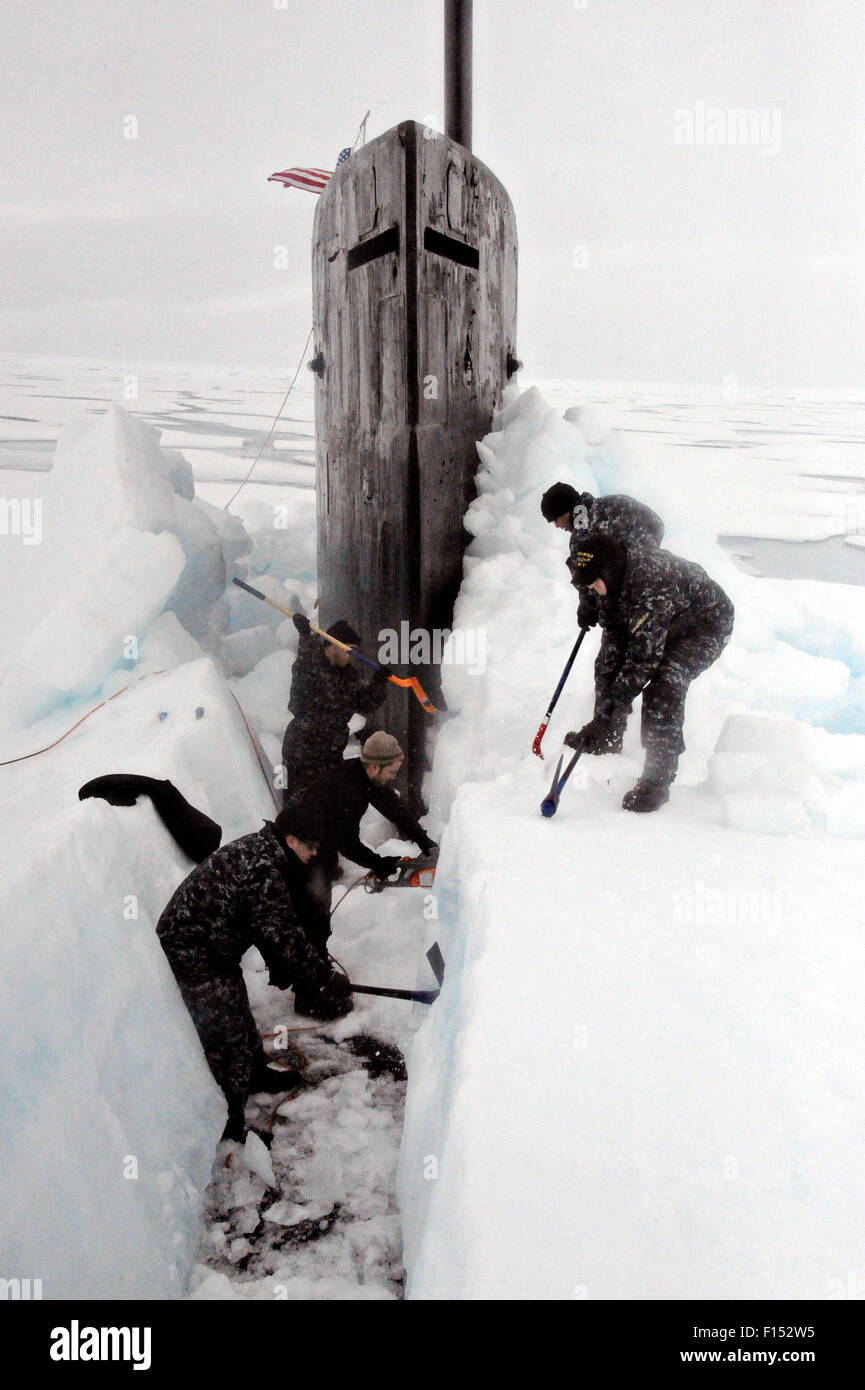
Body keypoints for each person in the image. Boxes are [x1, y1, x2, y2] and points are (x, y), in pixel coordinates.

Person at [156, 806, 353, 1142]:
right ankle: (231, 1122)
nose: (315, 852)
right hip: (192, 951)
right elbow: (283, 933)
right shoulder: (262, 868)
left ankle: (256, 1076)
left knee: (241, 1017)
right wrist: (322, 977)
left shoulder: (267, 852)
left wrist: (285, 964)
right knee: (226, 1034)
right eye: (311, 846)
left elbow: (263, 923)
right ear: (291, 841)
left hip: (215, 946)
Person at [564, 531, 734, 813]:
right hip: (665, 617)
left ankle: (658, 779)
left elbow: (643, 660)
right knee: (607, 663)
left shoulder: (652, 585)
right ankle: (607, 735)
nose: (590, 588)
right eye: (587, 585)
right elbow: (616, 634)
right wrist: (589, 603)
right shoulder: (608, 575)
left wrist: (610, 707)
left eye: (593, 583)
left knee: (664, 685)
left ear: (608, 572)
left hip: (703, 627)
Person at [298, 731, 437, 951]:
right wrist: (378, 863)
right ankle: (315, 969)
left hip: (324, 843)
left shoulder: (364, 775)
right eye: (391, 772)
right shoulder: (346, 789)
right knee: (316, 911)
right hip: (302, 850)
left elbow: (394, 808)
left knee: (319, 910)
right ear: (375, 767)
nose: (392, 777)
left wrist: (425, 842)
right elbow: (347, 843)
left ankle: (315, 962)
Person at [281, 614, 389, 809]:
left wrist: (378, 683)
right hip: (303, 751)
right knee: (298, 811)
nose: (352, 656)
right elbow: (306, 663)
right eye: (350, 650)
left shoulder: (348, 677)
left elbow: (366, 704)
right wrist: (305, 635)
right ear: (334, 645)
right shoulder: (311, 666)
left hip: (330, 755)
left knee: (329, 810)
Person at [540, 481, 665, 629]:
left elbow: (586, 578)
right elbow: (657, 523)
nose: (557, 525)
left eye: (556, 519)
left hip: (640, 587)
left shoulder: (581, 535)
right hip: (658, 571)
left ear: (567, 510)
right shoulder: (614, 502)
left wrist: (587, 609)